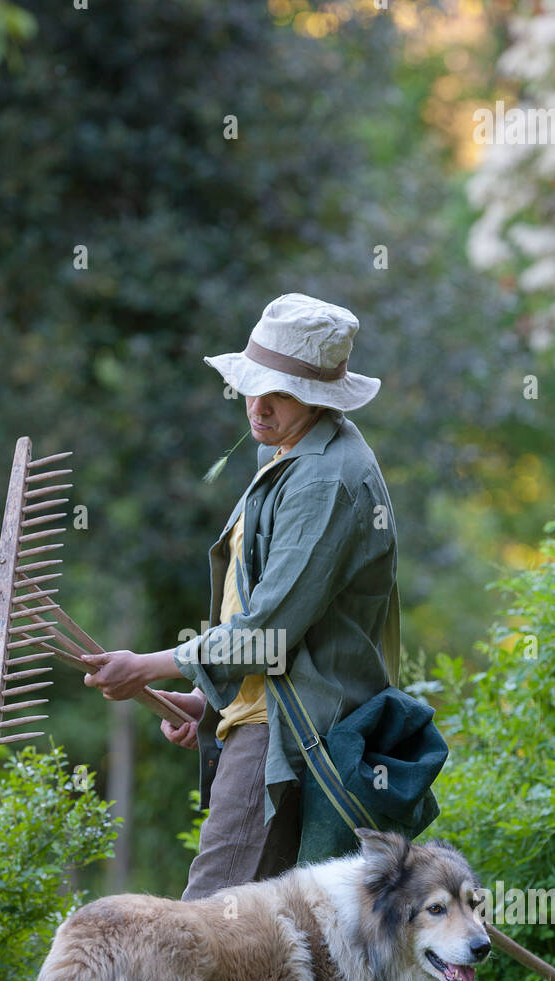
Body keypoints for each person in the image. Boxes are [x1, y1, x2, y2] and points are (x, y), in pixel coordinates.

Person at [82, 292, 400, 904]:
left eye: (277, 393)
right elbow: (269, 610)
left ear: (317, 397)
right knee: (261, 938)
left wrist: (147, 665)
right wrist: (208, 700)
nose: (257, 404)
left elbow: (268, 633)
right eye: (253, 385)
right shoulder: (288, 452)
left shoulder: (326, 479)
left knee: (208, 920)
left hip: (291, 727)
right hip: (259, 710)